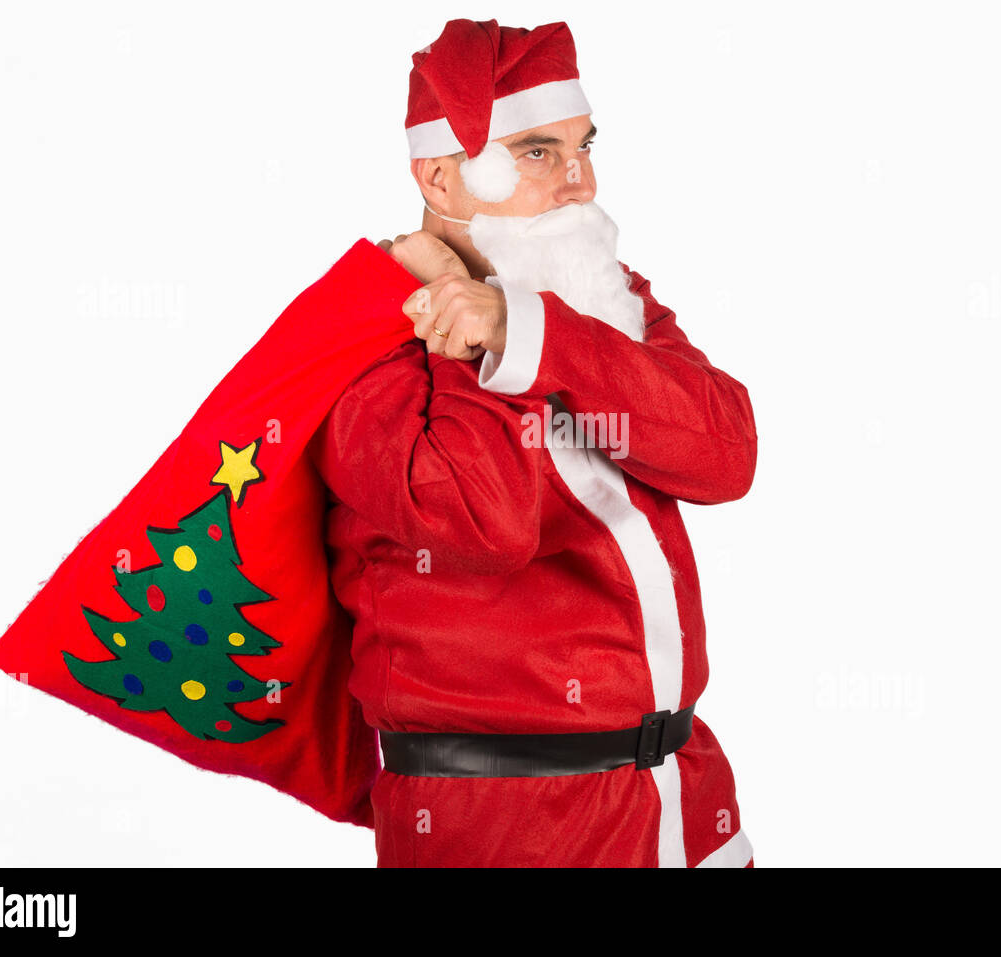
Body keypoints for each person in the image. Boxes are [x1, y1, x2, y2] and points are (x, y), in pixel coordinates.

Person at [306, 18, 758, 867]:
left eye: (585, 148)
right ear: (441, 175)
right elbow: (487, 521)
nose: (581, 183)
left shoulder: (592, 300)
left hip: (681, 798)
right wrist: (463, 309)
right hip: (506, 824)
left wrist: (532, 331)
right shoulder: (361, 345)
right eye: (539, 153)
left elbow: (726, 453)